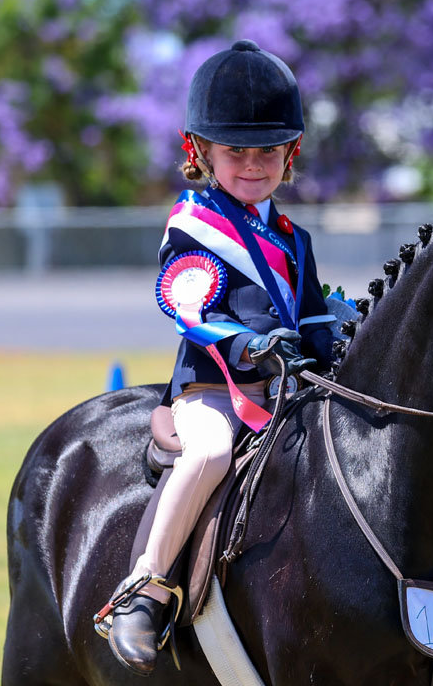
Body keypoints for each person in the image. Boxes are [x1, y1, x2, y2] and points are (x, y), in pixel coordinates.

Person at [103, 39, 334, 675]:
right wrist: (250, 344)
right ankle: (145, 589)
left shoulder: (294, 237)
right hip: (215, 391)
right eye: (236, 152)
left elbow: (313, 314)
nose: (254, 165)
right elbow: (190, 311)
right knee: (208, 454)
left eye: (268, 151)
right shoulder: (192, 224)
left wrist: (339, 342)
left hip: (292, 390)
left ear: (290, 153)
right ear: (201, 151)